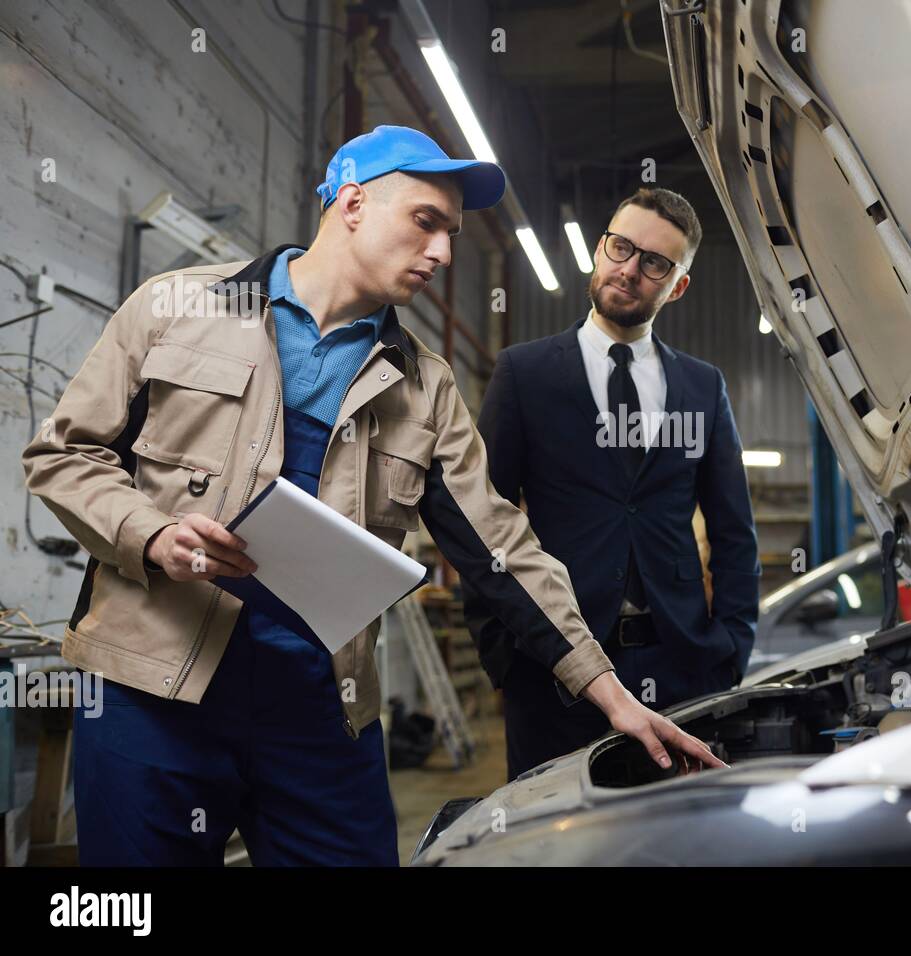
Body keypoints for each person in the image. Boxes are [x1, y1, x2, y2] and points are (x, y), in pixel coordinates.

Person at [22, 127, 721, 867]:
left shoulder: (426, 388)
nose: (445, 253)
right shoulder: (179, 305)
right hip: (150, 695)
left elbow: (502, 550)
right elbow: (63, 455)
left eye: (452, 234)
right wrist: (152, 535)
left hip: (322, 711)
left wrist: (610, 694)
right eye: (427, 223)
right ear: (353, 202)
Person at [467, 187, 760, 780]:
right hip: (555, 668)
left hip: (683, 666)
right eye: (620, 247)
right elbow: (482, 522)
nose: (630, 269)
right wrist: (504, 654)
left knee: (674, 836)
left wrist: (730, 648)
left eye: (654, 262)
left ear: (676, 285)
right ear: (599, 249)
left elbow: (734, 532)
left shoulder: (703, 389)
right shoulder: (524, 374)